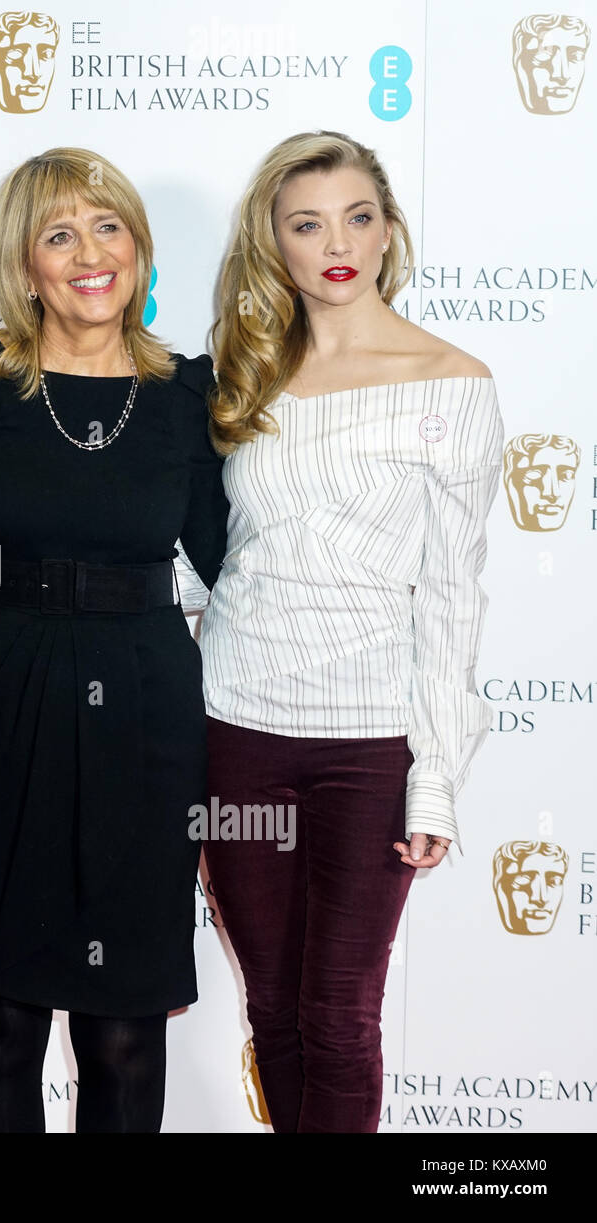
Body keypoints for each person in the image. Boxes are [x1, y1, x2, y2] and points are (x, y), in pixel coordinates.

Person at [0, 147, 229, 1132]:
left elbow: (237, 566)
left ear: (139, 250)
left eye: (108, 227)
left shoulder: (187, 393)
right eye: (58, 234)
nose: (88, 252)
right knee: (0, 1023)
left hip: (146, 720)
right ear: (24, 267)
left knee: (126, 1031)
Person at [202, 130, 504, 1133]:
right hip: (235, 731)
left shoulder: (451, 382)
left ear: (387, 233)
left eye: (357, 216)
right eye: (306, 222)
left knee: (338, 1014)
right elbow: (206, 547)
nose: (336, 240)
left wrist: (436, 777)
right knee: (273, 1007)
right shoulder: (239, 384)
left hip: (372, 744)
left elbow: (455, 595)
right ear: (273, 244)